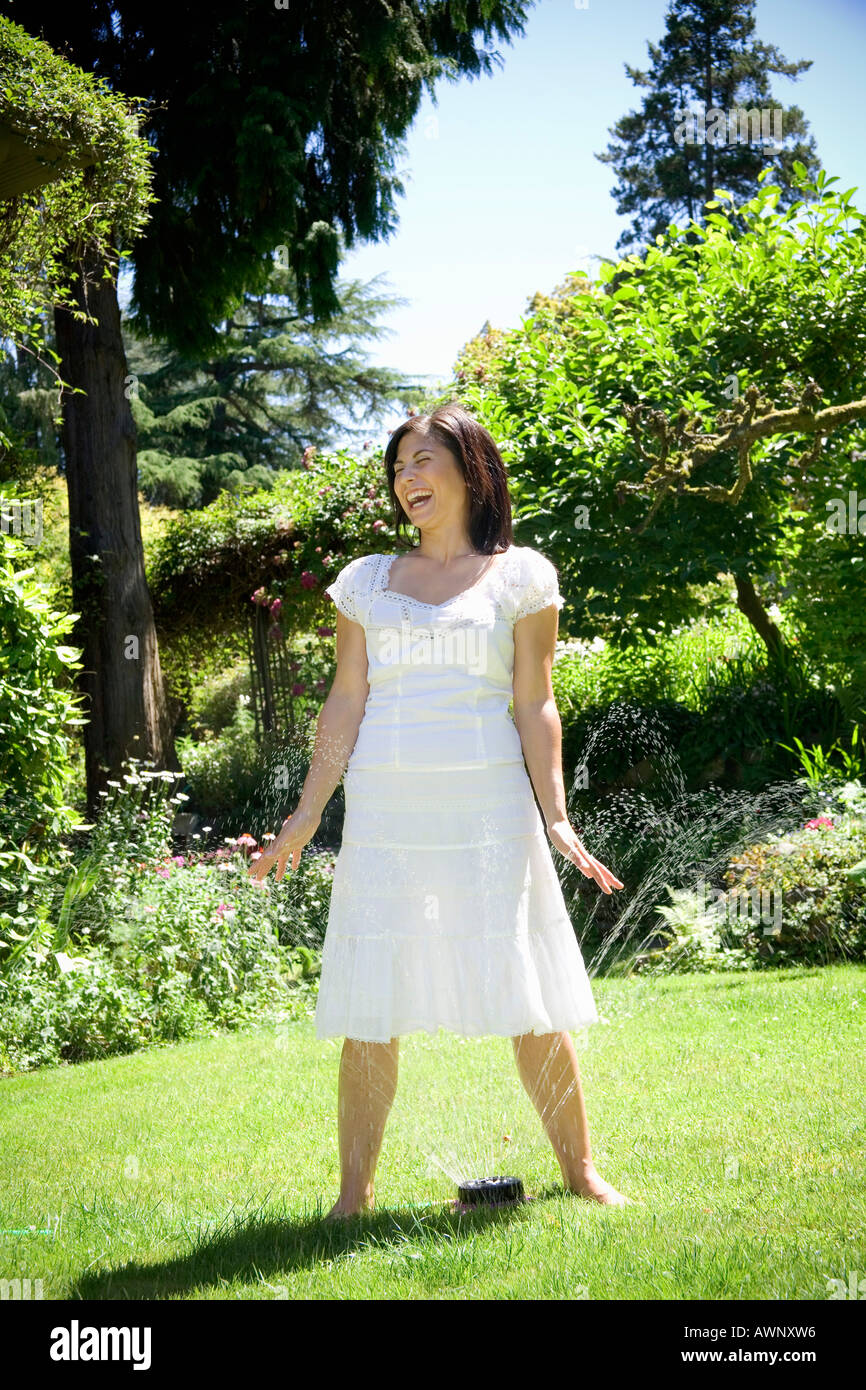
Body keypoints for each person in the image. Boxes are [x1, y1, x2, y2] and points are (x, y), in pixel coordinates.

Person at [249, 401, 635, 1216]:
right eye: (398, 467)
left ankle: (582, 1173)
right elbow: (345, 701)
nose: (407, 479)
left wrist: (556, 813)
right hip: (387, 813)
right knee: (370, 1000)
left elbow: (536, 702)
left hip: (489, 810)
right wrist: (309, 811)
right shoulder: (365, 582)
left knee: (527, 992)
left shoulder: (523, 576)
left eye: (423, 461)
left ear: (470, 471)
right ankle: (352, 1199)